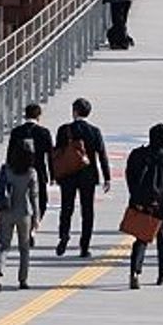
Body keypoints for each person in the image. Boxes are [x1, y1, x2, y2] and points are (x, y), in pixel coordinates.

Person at [52, 97, 109, 257]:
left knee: (66, 208)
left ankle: (64, 235)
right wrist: (107, 177)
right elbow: (102, 155)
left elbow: (57, 154)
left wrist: (54, 174)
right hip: (88, 174)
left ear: (74, 111)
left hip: (68, 175)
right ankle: (84, 246)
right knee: (87, 210)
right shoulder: (94, 131)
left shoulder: (64, 130)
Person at [124, 123, 163, 289]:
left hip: (141, 203)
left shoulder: (137, 154)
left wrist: (136, 197)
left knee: (141, 238)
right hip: (160, 206)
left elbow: (130, 176)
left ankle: (135, 271)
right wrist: (162, 200)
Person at [0, 150, 40, 290]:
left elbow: (0, 190)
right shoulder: (31, 173)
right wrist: (36, 217)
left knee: (4, 245)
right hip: (24, 213)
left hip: (6, 211)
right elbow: (34, 196)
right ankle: (23, 279)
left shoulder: (5, 170)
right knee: (24, 248)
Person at [7, 103, 55, 218]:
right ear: (39, 116)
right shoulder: (44, 132)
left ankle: (25, 222)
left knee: (20, 197)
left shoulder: (16, 132)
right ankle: (35, 222)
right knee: (41, 199)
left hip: (19, 170)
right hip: (39, 170)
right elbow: (50, 155)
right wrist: (52, 175)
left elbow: (9, 154)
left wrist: (8, 170)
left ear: (25, 116)